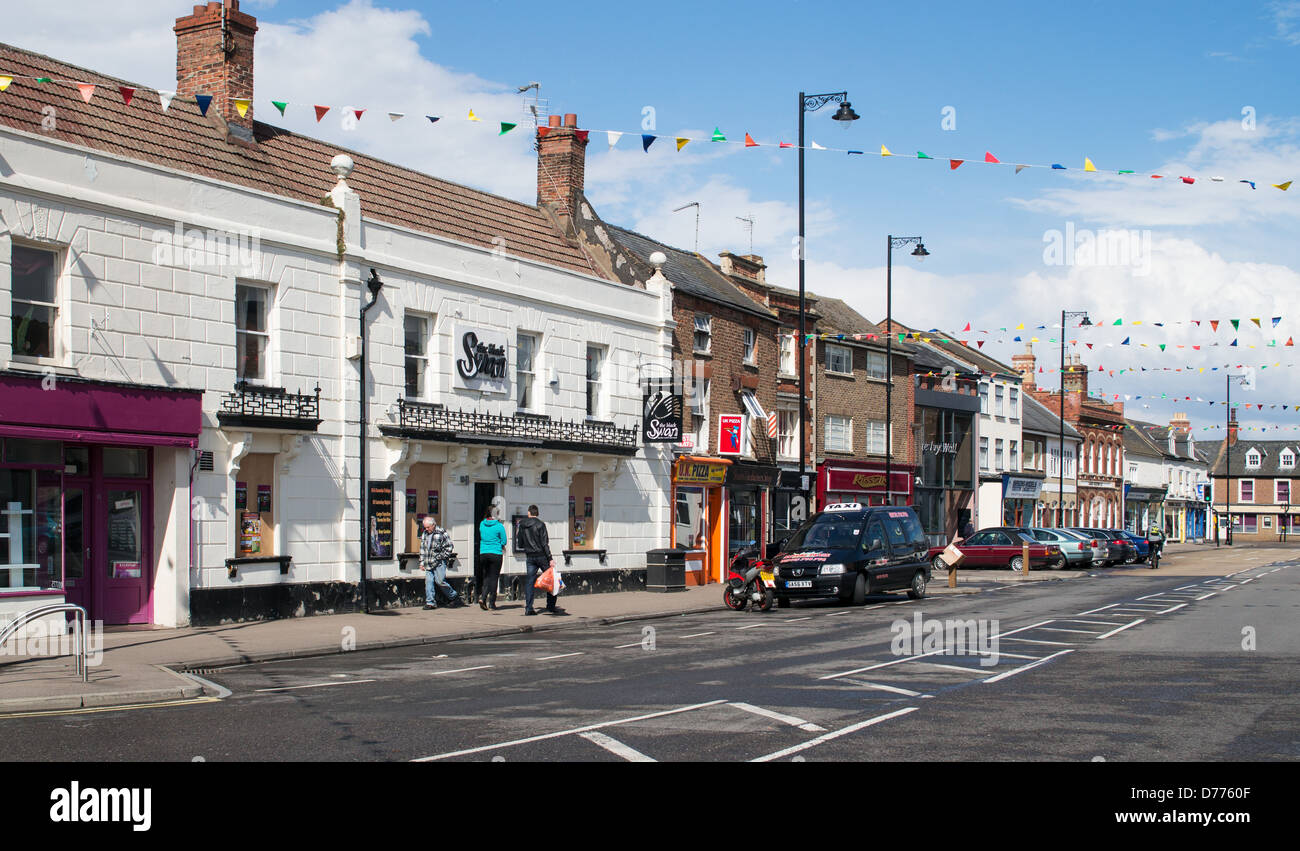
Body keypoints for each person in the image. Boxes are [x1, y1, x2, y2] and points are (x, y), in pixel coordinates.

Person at [518, 504, 563, 616]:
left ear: (529, 513)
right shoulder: (541, 524)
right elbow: (544, 543)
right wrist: (550, 558)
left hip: (530, 557)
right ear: (537, 513)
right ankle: (551, 606)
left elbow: (520, 543)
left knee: (530, 582)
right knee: (551, 579)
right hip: (542, 556)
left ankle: (529, 608)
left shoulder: (522, 525)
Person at [418, 516, 460, 610]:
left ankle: (454, 596)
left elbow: (449, 547)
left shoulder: (441, 532)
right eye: (425, 527)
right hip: (428, 562)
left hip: (439, 562)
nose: (426, 529)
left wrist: (440, 557)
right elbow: (422, 549)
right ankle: (430, 602)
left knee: (440, 581)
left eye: (428, 527)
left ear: (433, 525)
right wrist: (421, 562)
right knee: (428, 582)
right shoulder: (425, 533)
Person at [477, 506, 507, 610]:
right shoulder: (499, 526)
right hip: (496, 553)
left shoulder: (481, 524)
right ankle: (492, 603)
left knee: (486, 577)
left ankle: (483, 598)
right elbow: (504, 541)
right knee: (494, 578)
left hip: (484, 553)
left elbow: (482, 535)